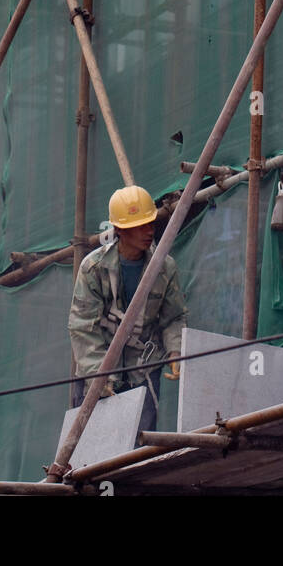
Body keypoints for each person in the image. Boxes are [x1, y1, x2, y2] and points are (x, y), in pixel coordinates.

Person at [68, 184, 187, 433]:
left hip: (143, 367)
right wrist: (97, 376)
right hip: (99, 367)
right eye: (140, 226)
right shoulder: (94, 268)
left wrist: (175, 351)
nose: (149, 231)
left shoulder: (164, 268)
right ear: (120, 229)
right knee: (92, 445)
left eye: (150, 224)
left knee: (138, 445)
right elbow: (82, 327)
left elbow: (173, 317)